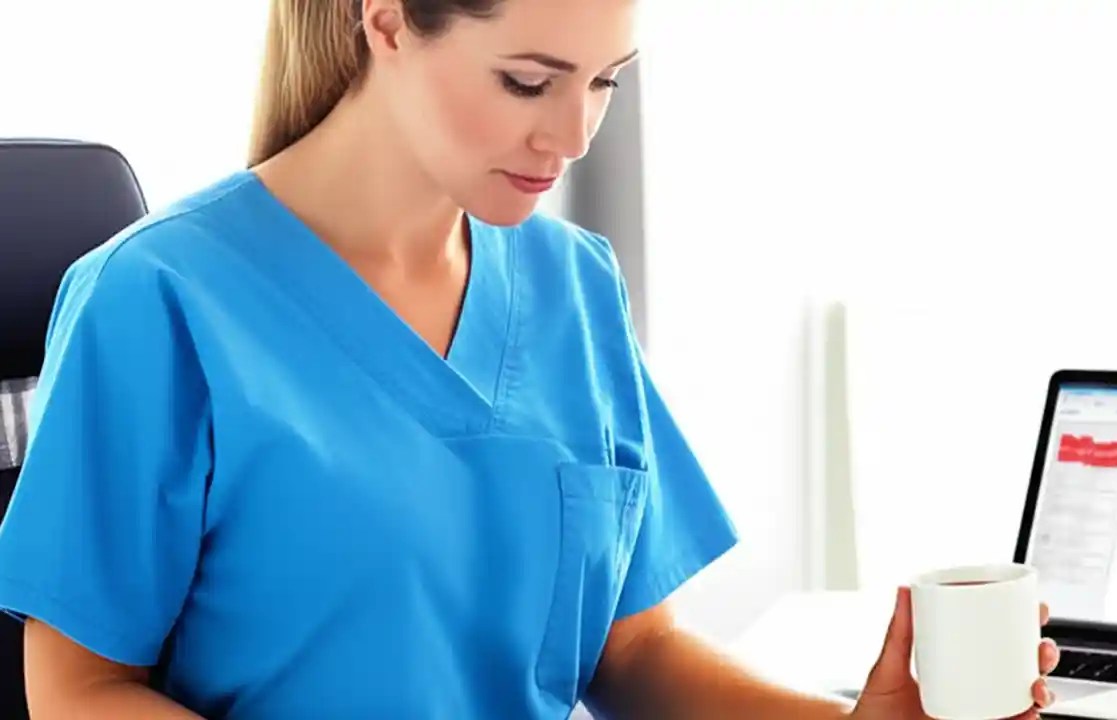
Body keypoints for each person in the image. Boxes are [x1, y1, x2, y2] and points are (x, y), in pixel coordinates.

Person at [0, 0, 1059, 717]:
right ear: (385, 22)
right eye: (526, 81)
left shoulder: (570, 284)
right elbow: (78, 689)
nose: (575, 133)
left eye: (604, 82)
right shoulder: (160, 299)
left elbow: (628, 655)